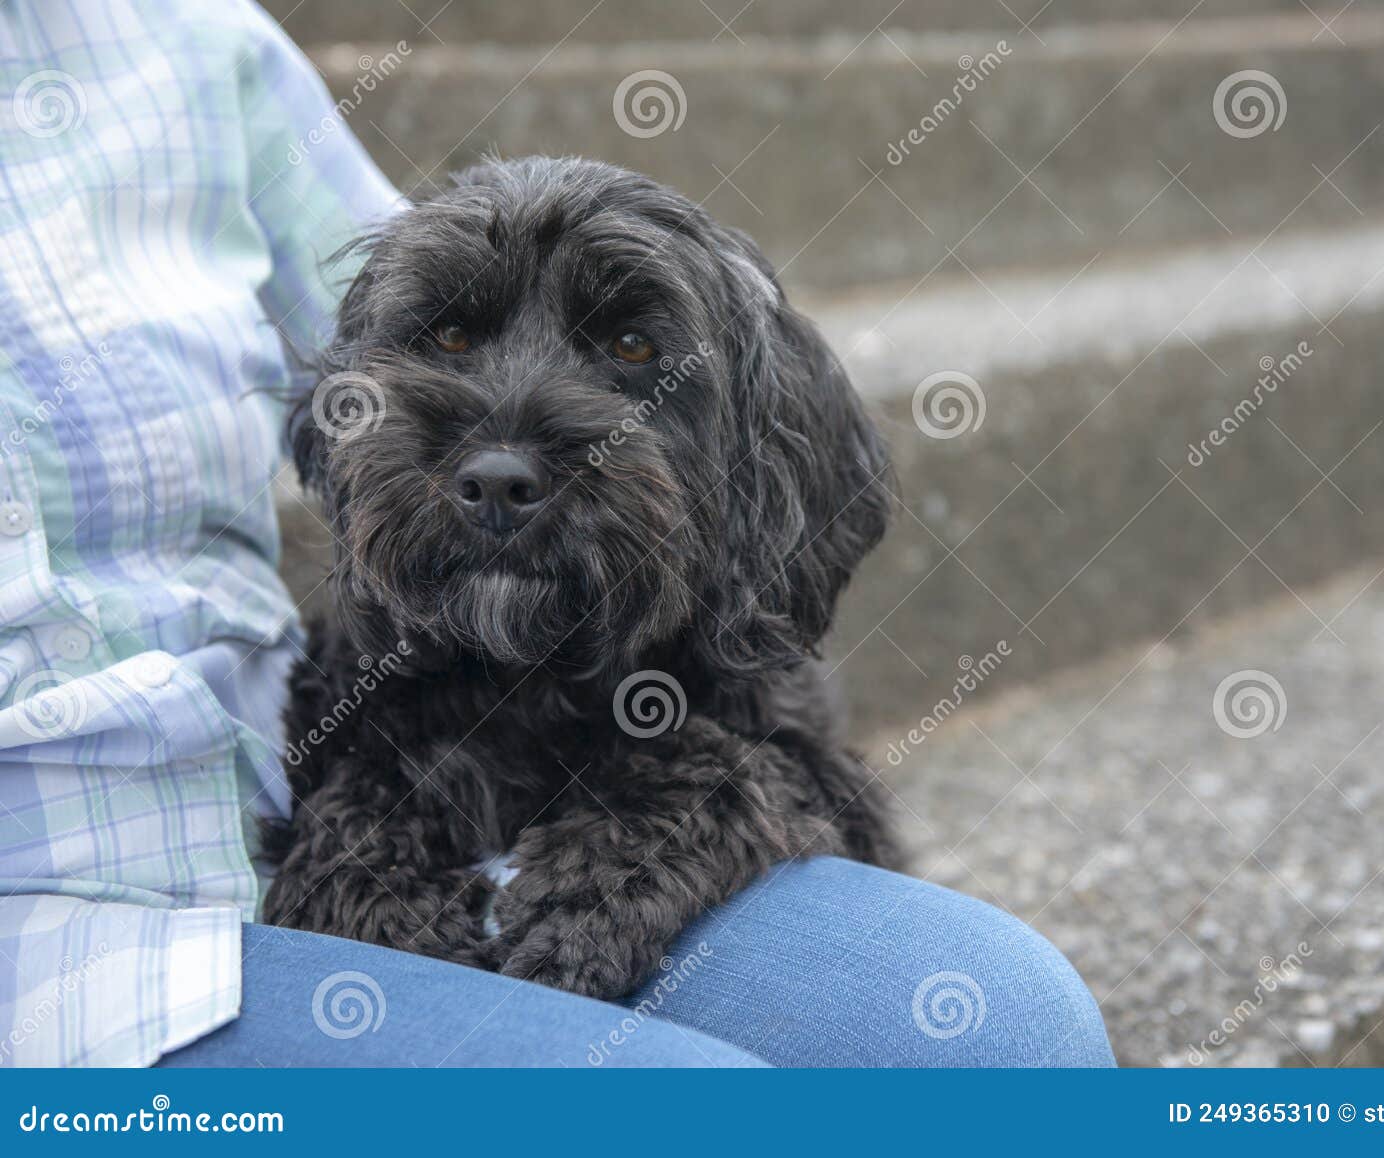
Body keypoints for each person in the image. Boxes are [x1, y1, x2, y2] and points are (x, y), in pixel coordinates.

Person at [0, 0, 1114, 1068]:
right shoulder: (359, 712)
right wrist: (355, 852)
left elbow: (402, 288)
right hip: (70, 934)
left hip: (251, 759)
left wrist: (690, 810)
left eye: (630, 353)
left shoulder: (185, 37)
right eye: (457, 343)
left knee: (1012, 1045)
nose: (497, 464)